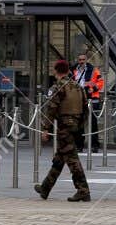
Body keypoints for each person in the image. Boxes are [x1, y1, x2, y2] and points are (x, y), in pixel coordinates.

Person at [36, 59, 91, 203]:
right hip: (75, 127)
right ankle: (45, 188)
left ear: (56, 71)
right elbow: (86, 110)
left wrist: (45, 129)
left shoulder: (58, 87)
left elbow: (51, 109)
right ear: (68, 71)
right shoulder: (78, 87)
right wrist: (79, 126)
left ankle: (83, 190)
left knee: (72, 159)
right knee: (60, 158)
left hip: (64, 128)